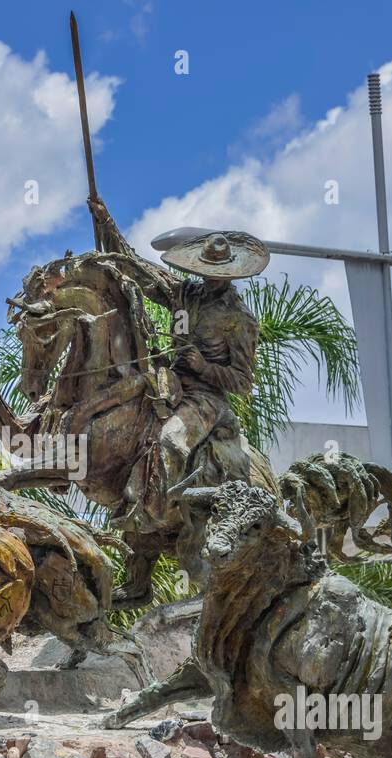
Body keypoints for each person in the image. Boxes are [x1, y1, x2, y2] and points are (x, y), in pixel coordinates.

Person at [86, 195, 269, 529]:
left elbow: (242, 382)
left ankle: (148, 512)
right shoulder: (183, 294)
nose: (211, 277)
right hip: (168, 383)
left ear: (230, 274)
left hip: (206, 398)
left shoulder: (240, 320)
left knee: (171, 439)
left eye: (219, 273)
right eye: (207, 271)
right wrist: (105, 223)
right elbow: (137, 269)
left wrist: (203, 367)